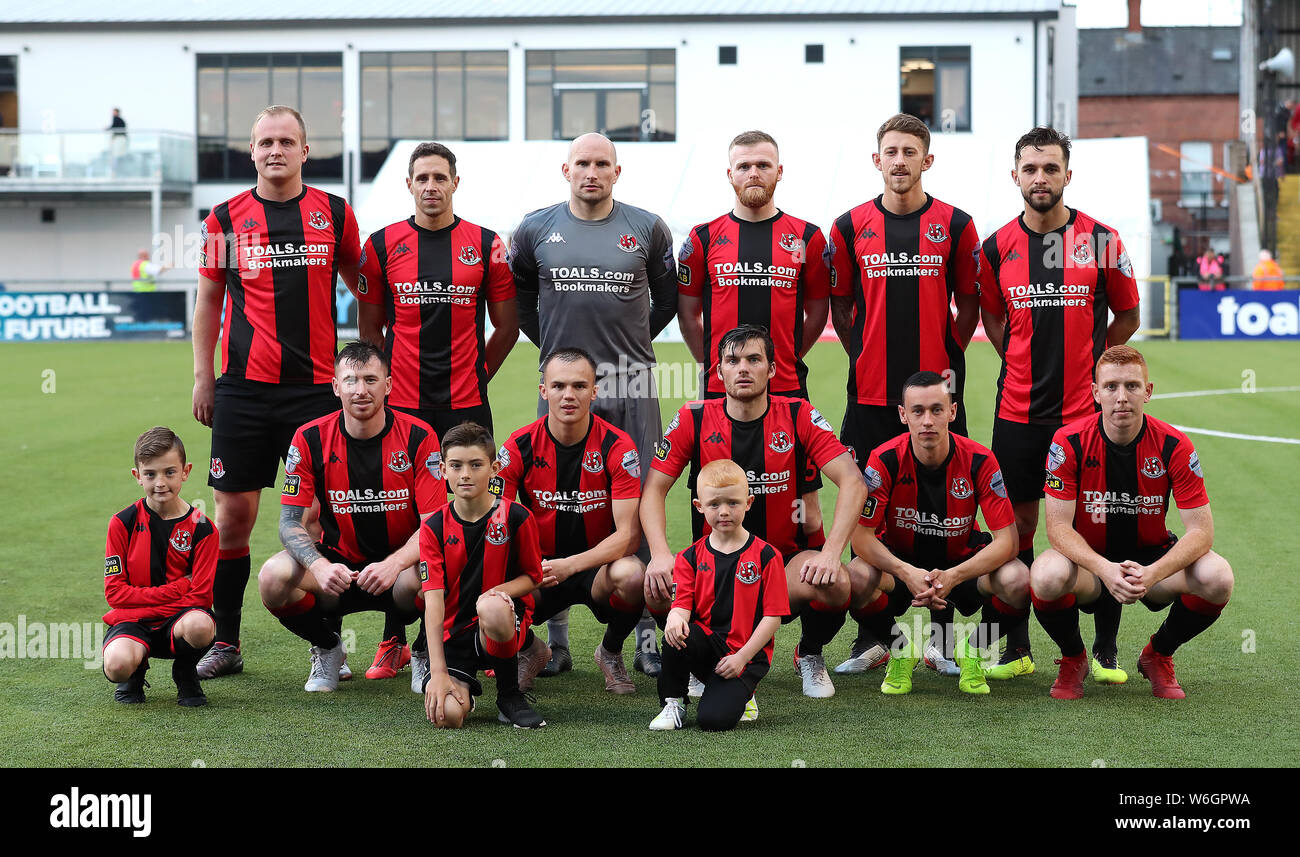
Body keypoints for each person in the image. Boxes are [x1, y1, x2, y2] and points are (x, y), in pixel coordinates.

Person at [192, 105, 361, 679]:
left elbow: (361, 287)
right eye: (265, 142)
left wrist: (365, 363)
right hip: (242, 390)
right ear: (252, 149)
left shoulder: (335, 213)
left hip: (316, 392)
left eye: (287, 141)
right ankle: (227, 643)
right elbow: (208, 302)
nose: (275, 151)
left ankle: (326, 642)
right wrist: (203, 377)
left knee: (312, 521)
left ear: (305, 151)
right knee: (233, 517)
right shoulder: (224, 219)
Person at [509, 132, 677, 678]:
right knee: (551, 501)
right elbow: (519, 304)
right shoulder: (535, 228)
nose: (592, 172)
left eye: (602, 163)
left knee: (645, 499)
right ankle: (555, 641)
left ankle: (648, 634)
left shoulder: (647, 228)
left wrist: (629, 350)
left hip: (630, 385)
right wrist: (561, 358)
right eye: (582, 162)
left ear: (616, 171)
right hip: (564, 389)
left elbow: (668, 299)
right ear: (565, 169)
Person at [977, 126, 1141, 683]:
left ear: (1068, 174)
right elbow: (994, 318)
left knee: (1098, 526)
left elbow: (1128, 316)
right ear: (1015, 175)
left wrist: (1099, 370)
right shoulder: (996, 246)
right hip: (1017, 414)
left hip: (1082, 417)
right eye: (1030, 168)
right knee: (1018, 529)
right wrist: (1017, 358)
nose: (1040, 178)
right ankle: (1016, 647)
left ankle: (1108, 648)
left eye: (1051, 168)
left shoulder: (1102, 239)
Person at [826, 113, 982, 677]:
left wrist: (945, 356)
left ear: (927, 160)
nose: (899, 161)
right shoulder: (847, 227)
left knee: (942, 513)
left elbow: (971, 304)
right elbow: (840, 307)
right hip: (869, 399)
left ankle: (939, 637)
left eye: (909, 152)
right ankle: (877, 637)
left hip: (937, 400)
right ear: (877, 160)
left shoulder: (958, 225)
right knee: (869, 511)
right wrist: (863, 352)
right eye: (889, 151)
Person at [356, 141, 518, 674]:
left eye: (439, 177)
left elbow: (508, 327)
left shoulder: (486, 245)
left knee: (480, 513)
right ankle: (395, 637)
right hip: (402, 409)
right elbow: (370, 332)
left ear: (455, 182)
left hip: (467, 407)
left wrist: (478, 374)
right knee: (406, 517)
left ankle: (482, 631)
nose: (431, 186)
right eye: (421, 177)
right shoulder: (381, 246)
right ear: (408, 184)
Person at [642, 324, 867, 699]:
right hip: (711, 570)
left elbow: (854, 481)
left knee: (837, 581)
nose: (743, 368)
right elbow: (653, 490)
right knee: (658, 587)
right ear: (719, 371)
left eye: (753, 359)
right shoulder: (693, 418)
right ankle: (697, 661)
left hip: (783, 567)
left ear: (772, 369)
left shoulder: (798, 414)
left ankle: (809, 653)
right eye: (732, 360)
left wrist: (830, 554)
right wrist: (661, 554)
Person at [1031, 346, 1233, 700]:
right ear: (1095, 393)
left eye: (1131, 386)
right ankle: (1074, 657)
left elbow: (1201, 532)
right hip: (1091, 566)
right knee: (1045, 575)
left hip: (1153, 563)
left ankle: (1159, 654)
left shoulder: (1175, 445)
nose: (1121, 397)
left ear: (1148, 391)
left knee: (1218, 577)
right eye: (1110, 387)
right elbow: (1058, 528)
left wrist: (1152, 573)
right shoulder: (1069, 442)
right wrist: (1105, 569)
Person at [257, 341, 446, 693]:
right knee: (273, 578)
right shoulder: (309, 437)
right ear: (335, 386)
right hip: (339, 569)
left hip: (401, 572)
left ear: (388, 385)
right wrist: (318, 565)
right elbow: (289, 521)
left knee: (445, 564)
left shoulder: (419, 436)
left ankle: (422, 652)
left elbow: (435, 524)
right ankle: (329, 647)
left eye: (371, 380)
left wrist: (394, 563)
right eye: (351, 380)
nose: (361, 390)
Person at [847, 372, 1029, 696]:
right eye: (917, 411)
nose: (927, 420)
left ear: (953, 412)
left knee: (1019, 580)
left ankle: (972, 649)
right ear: (903, 415)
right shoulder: (884, 459)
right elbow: (861, 537)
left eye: (936, 410)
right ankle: (901, 649)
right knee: (855, 579)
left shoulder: (980, 459)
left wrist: (955, 576)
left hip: (961, 563)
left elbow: (1008, 541)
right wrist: (906, 572)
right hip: (903, 567)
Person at [491, 347, 649, 695]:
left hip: (597, 568)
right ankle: (531, 650)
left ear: (594, 391)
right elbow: (494, 523)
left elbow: (628, 536)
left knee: (634, 576)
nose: (569, 395)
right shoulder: (517, 446)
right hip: (540, 568)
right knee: (486, 584)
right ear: (543, 390)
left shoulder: (617, 446)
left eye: (579, 386)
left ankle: (609, 652)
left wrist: (571, 565)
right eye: (559, 385)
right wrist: (532, 566)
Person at [677, 130, 829, 401]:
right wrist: (718, 362)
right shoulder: (703, 238)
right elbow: (688, 313)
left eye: (763, 165)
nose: (753, 173)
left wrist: (787, 356)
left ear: (779, 171)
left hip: (785, 385)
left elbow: (817, 310)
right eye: (744, 166)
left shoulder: (807, 238)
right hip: (720, 388)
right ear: (730, 174)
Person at [417, 422, 546, 729]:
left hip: (500, 623)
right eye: (456, 466)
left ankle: (509, 695)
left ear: (494, 468)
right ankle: (465, 693)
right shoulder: (433, 527)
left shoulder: (516, 517)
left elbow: (533, 576)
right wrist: (437, 671)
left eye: (476, 465)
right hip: (455, 634)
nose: (465, 474)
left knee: (492, 607)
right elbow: (432, 601)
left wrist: (493, 593)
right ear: (443, 471)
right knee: (446, 716)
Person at [650, 460, 787, 731]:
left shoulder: (767, 556)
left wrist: (741, 658)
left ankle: (743, 693)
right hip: (707, 643)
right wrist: (675, 618)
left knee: (713, 721)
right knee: (675, 632)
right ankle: (673, 702)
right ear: (699, 507)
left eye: (733, 503)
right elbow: (681, 605)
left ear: (748, 502)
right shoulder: (689, 557)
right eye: (714, 505)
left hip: (745, 655)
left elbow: (773, 618)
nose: (724, 511)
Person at [101, 427, 216, 707]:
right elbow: (115, 594)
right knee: (116, 666)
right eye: (150, 474)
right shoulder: (122, 523)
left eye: (169, 472)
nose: (160, 482)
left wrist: (136, 608)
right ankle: (135, 671)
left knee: (201, 625)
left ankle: (185, 671)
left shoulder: (203, 529)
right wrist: (180, 587)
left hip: (174, 624)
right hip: (133, 624)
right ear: (137, 476)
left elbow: (200, 598)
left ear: (185, 471)